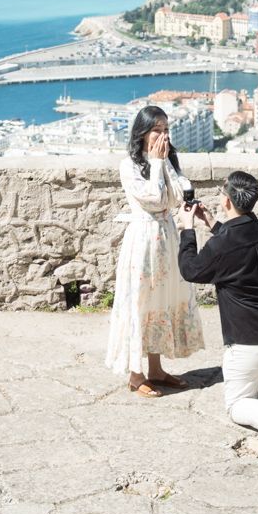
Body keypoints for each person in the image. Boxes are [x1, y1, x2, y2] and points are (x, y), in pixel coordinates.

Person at [179, 170, 258, 458]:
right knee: (250, 378)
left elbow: (191, 270)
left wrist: (188, 228)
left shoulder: (222, 246)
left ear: (226, 201)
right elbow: (239, 242)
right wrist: (213, 224)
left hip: (253, 338)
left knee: (236, 405)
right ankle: (256, 399)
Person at [105, 105, 205, 398]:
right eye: (156, 130)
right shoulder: (129, 166)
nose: (163, 136)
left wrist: (166, 164)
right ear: (143, 133)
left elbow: (177, 196)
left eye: (166, 130)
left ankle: (156, 369)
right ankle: (136, 376)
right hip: (144, 240)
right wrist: (158, 163)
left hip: (166, 238)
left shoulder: (167, 159)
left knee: (161, 301)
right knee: (141, 301)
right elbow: (154, 198)